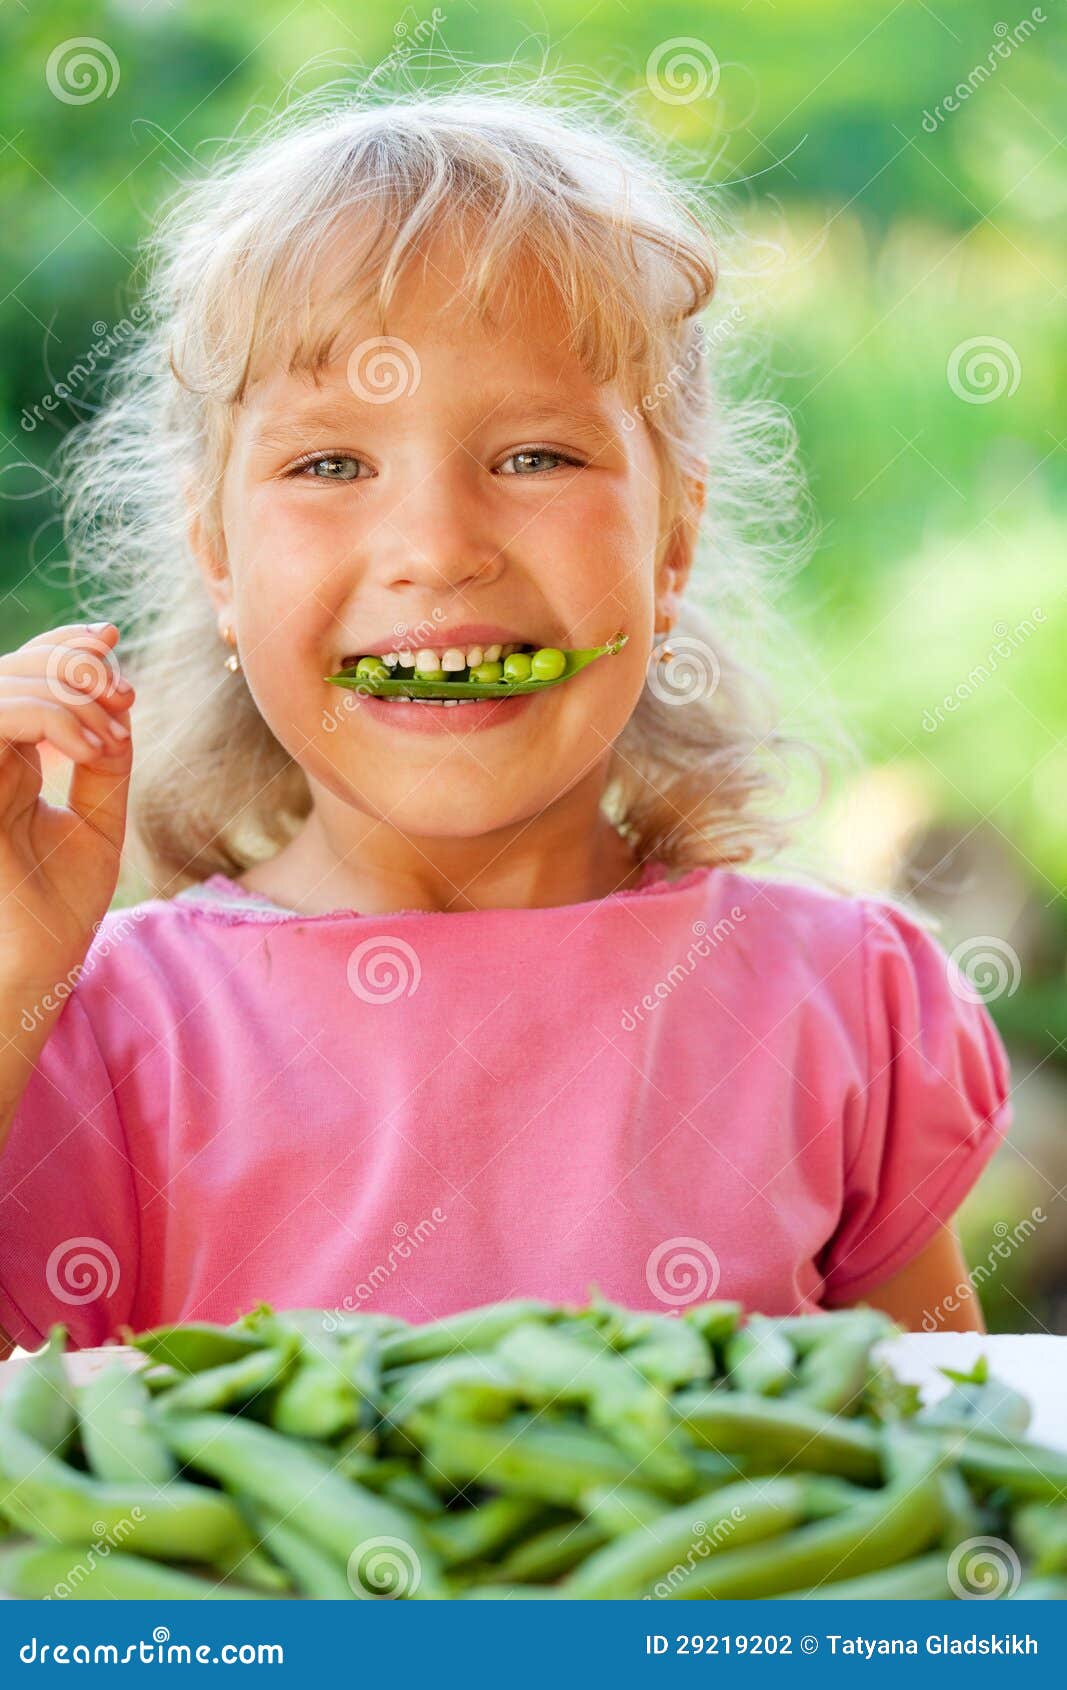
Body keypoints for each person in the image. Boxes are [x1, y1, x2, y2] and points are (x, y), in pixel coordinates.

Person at [0, 88, 1010, 1354]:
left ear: (672, 534)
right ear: (216, 557)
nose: (436, 549)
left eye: (535, 456)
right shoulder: (87, 1038)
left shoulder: (839, 1007)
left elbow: (953, 1469)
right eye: (328, 465)